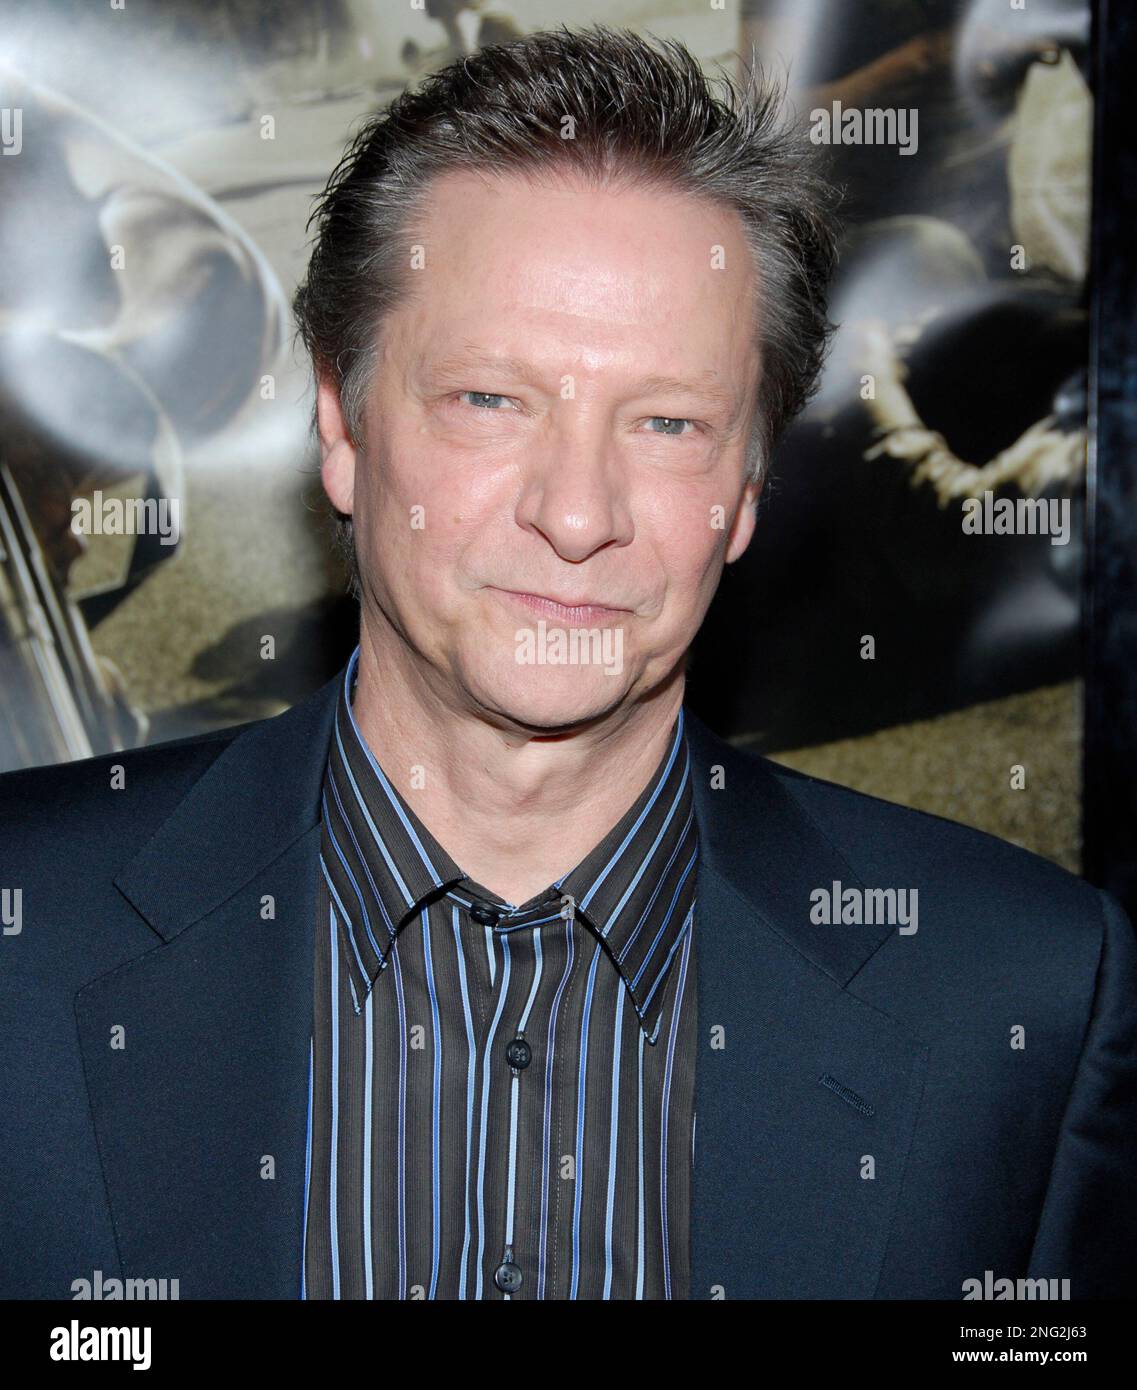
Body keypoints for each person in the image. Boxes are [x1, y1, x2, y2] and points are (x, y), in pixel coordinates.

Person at [1, 26, 1134, 1302]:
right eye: (493, 399)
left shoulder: (1024, 996)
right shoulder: (19, 941)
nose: (580, 510)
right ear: (342, 424)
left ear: (748, 485)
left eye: (668, 421)